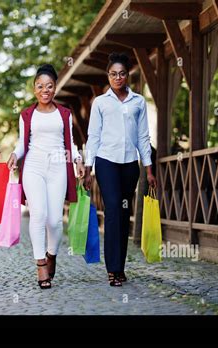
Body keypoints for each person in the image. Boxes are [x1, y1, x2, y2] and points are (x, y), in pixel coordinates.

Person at [7, 64, 85, 289]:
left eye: (49, 86)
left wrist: (78, 159)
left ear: (55, 88)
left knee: (54, 221)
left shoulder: (64, 114)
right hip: (34, 166)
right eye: (40, 86)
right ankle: (40, 263)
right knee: (39, 215)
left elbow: (69, 142)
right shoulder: (26, 115)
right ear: (34, 89)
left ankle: (52, 255)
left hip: (59, 166)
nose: (45, 90)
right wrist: (14, 154)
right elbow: (23, 144)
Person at [83, 53, 157, 287]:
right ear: (108, 76)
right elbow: (93, 136)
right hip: (106, 162)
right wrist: (88, 166)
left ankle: (120, 267)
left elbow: (144, 137)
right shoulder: (100, 103)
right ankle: (112, 269)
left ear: (128, 75)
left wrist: (149, 169)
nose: (117, 77)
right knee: (114, 209)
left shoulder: (138, 102)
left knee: (124, 213)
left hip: (129, 165)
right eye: (113, 74)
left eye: (122, 73)